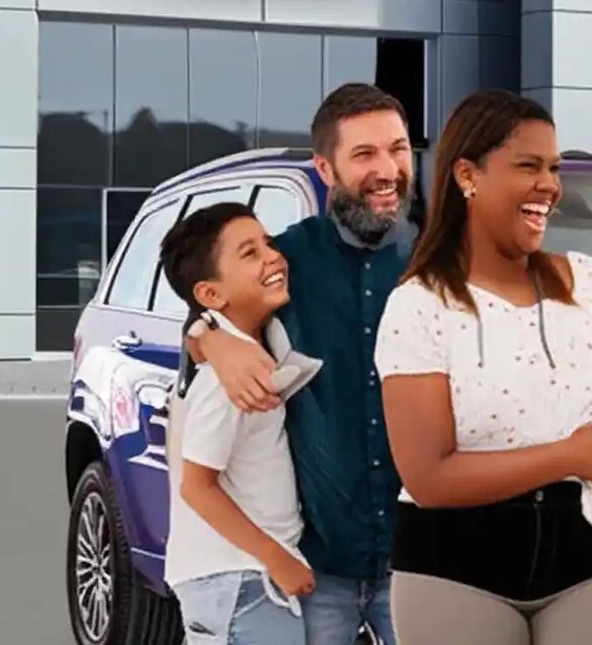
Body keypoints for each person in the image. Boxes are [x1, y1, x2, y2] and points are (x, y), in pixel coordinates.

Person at [373, 89, 592, 644]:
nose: (549, 185)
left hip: (586, 554)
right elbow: (428, 477)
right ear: (467, 175)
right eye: (527, 166)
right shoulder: (420, 306)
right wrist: (569, 457)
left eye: (553, 168)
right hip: (456, 563)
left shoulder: (585, 283)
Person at [185, 83, 420, 645]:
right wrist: (212, 341)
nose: (387, 169)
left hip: (418, 562)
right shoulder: (283, 262)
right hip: (311, 570)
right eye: (364, 155)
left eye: (399, 148)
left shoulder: (437, 265)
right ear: (325, 167)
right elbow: (206, 313)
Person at [160, 202, 322, 644]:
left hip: (242, 578)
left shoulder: (250, 354)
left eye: (268, 243)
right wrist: (277, 558)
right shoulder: (228, 382)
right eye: (249, 253)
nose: (272, 256)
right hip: (240, 580)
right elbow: (197, 485)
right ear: (210, 295)